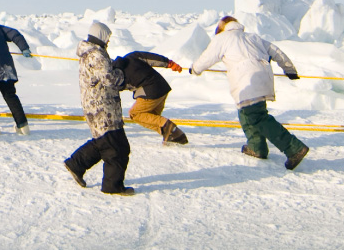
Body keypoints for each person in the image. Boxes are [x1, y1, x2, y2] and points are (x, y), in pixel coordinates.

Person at [190, 16, 309, 169]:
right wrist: (290, 70)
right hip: (263, 75)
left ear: (222, 27)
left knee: (257, 116)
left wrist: (195, 69)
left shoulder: (222, 38)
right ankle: (256, 147)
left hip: (246, 79)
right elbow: (276, 51)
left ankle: (294, 148)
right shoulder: (252, 37)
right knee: (247, 113)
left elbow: (207, 57)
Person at [65, 21, 135, 195]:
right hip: (103, 109)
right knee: (117, 148)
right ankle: (112, 186)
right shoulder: (96, 55)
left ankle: (76, 164)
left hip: (97, 107)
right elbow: (109, 78)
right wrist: (122, 74)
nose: (108, 42)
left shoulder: (90, 53)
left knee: (105, 142)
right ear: (101, 37)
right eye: (107, 38)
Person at [114, 48, 188, 145]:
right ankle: (174, 136)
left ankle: (170, 128)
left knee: (135, 114)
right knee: (152, 118)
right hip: (163, 88)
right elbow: (151, 58)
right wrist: (169, 63)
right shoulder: (132, 57)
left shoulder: (113, 77)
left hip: (151, 92)